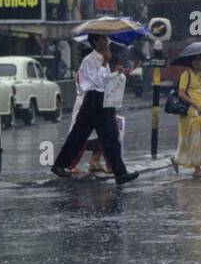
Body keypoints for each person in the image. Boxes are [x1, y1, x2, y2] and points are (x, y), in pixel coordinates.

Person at [51, 35, 138, 185]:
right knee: (78, 135)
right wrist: (105, 64)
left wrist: (115, 72)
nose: (107, 41)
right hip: (92, 100)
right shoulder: (89, 60)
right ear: (95, 41)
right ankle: (59, 165)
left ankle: (120, 173)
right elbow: (94, 82)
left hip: (105, 101)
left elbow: (105, 81)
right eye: (103, 39)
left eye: (107, 39)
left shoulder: (106, 57)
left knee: (111, 138)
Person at [171, 54, 201, 175]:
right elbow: (181, 94)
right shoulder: (186, 74)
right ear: (191, 62)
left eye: (199, 59)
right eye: (195, 60)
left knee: (192, 141)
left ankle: (177, 159)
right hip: (191, 111)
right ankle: (197, 168)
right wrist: (194, 104)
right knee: (196, 139)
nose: (197, 62)